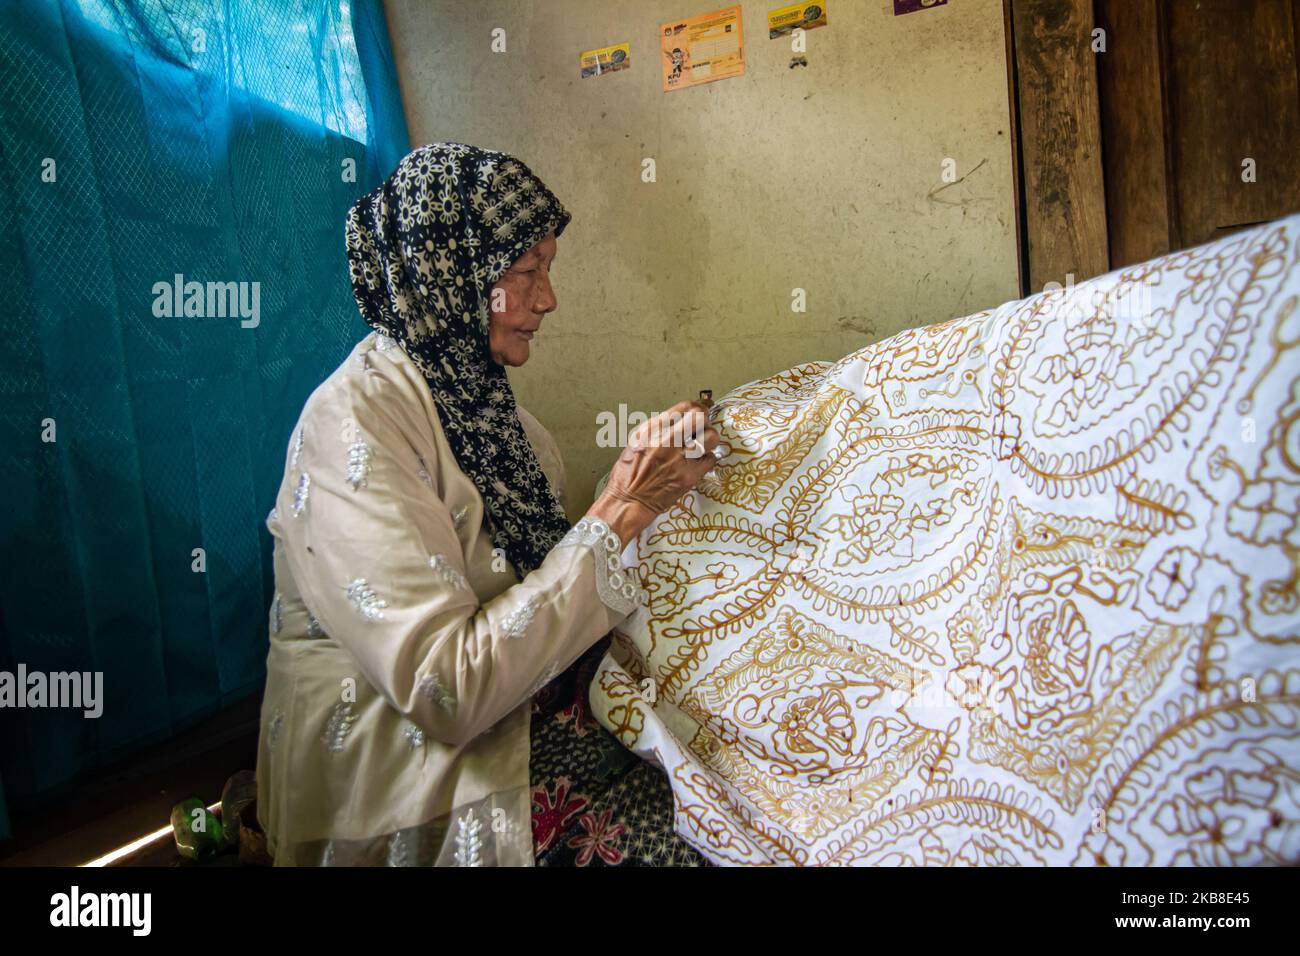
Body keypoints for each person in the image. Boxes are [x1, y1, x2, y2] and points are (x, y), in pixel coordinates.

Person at [255, 142, 719, 865]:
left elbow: (549, 593)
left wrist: (648, 503)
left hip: (527, 713)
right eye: (527, 270)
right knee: (690, 843)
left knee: (731, 770)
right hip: (406, 767)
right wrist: (623, 507)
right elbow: (448, 691)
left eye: (548, 270)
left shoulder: (509, 430)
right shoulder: (353, 424)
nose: (548, 299)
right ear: (451, 269)